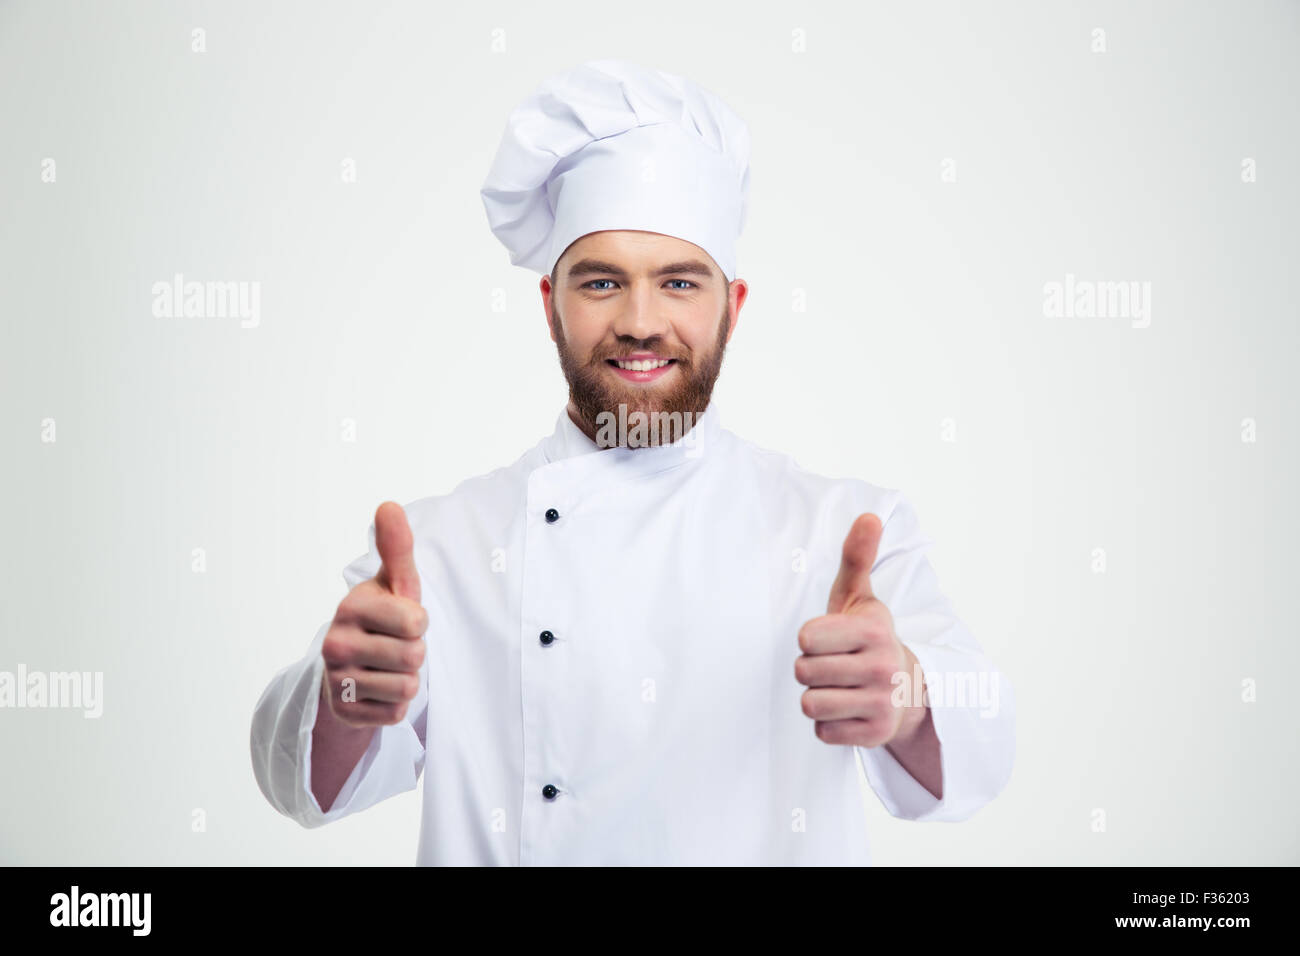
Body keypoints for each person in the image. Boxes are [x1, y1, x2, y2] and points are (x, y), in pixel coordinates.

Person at [249, 59, 1015, 866]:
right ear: (550, 307)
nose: (641, 322)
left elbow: (984, 746)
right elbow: (294, 784)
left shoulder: (840, 531)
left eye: (679, 282)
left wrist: (905, 696)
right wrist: (346, 697)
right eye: (603, 281)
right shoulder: (438, 551)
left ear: (733, 308)